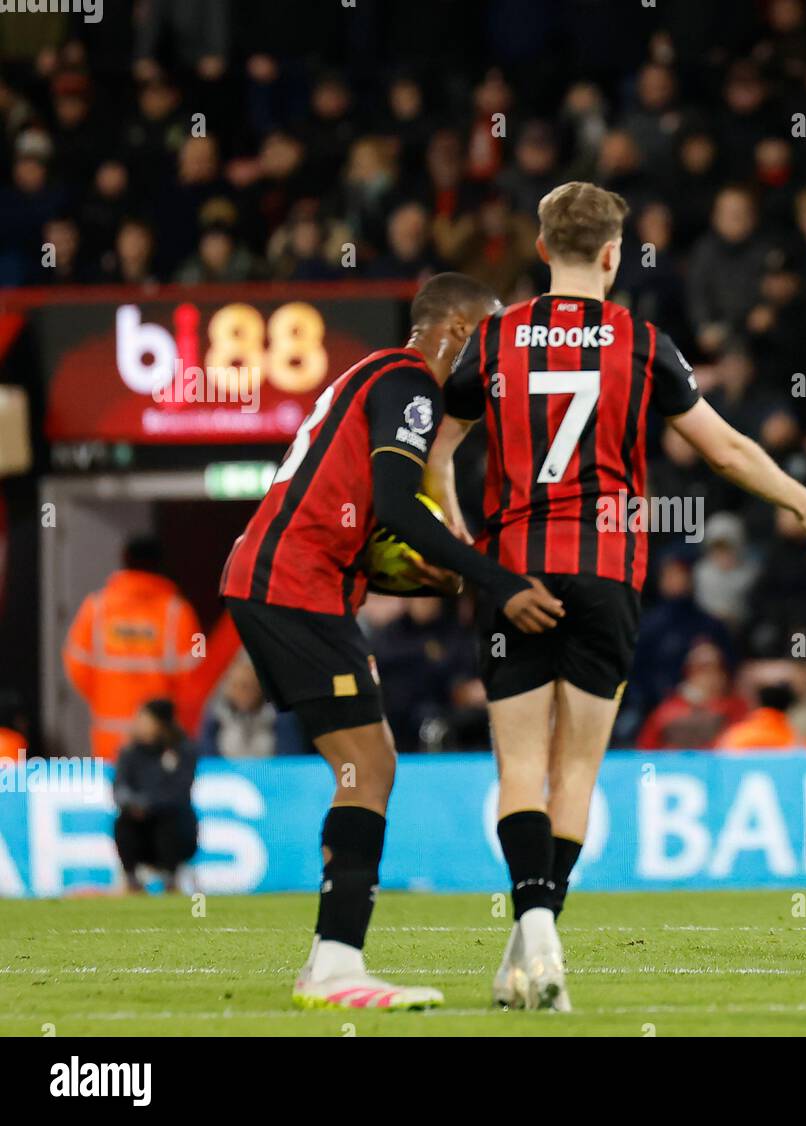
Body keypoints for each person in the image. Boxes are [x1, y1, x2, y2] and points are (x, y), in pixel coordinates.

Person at [430, 180, 806, 1010]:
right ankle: (539, 936)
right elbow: (727, 449)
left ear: (542, 250)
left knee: (520, 763)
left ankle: (532, 936)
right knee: (577, 769)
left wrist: (461, 549)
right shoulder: (641, 343)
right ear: (616, 256)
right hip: (609, 571)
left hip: (514, 568)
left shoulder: (494, 340)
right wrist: (802, 498)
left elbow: (440, 449)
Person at [220, 272, 565, 1012]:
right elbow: (393, 503)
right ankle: (336, 964)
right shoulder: (411, 382)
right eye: (490, 337)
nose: (495, 357)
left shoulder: (374, 375)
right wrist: (494, 580)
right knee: (368, 764)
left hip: (293, 582)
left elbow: (366, 527)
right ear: (459, 332)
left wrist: (430, 574)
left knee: (365, 764)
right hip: (293, 585)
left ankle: (330, 959)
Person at [63, 535, 201, 762]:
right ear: (159, 563)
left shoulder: (96, 608)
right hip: (159, 735)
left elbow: (76, 666)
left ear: (124, 560)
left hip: (108, 735)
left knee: (111, 793)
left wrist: (105, 699)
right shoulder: (178, 613)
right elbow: (192, 679)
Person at [112, 699, 199, 893]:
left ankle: (171, 879)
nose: (137, 724)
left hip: (175, 831)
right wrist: (133, 804)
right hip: (141, 830)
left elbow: (179, 793)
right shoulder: (129, 753)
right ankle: (132, 881)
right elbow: (120, 788)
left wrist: (148, 805)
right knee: (123, 823)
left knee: (169, 819)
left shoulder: (184, 752)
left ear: (161, 724)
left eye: (144, 720)